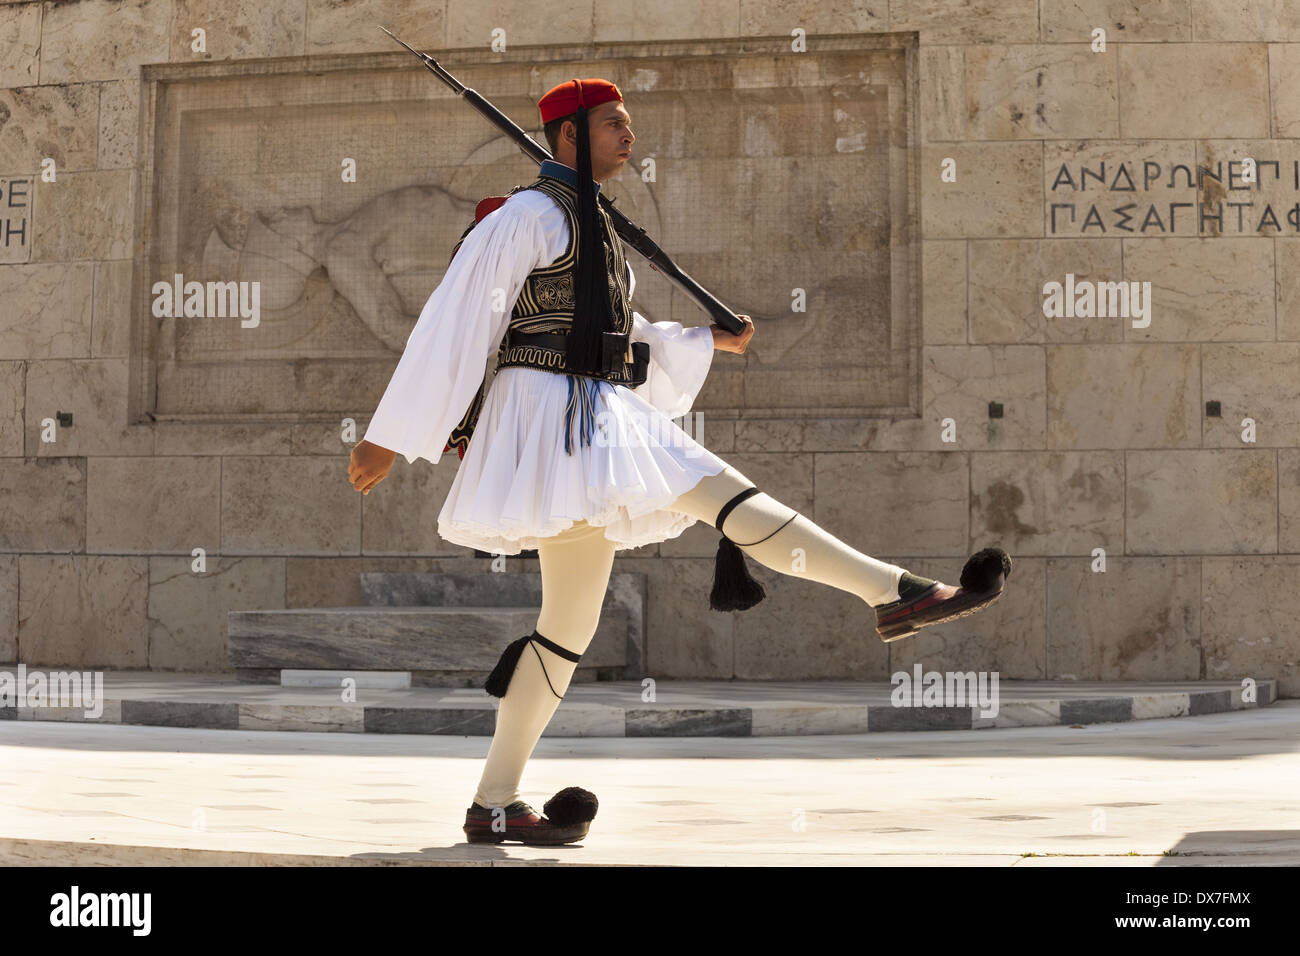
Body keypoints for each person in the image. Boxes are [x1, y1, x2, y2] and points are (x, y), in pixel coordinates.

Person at [347, 78, 1011, 847]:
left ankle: (494, 803)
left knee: (566, 628)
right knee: (720, 493)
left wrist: (702, 341)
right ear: (568, 136)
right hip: (556, 411)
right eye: (612, 125)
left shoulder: (589, 220)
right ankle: (893, 592)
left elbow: (609, 330)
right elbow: (458, 320)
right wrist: (389, 434)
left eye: (630, 124)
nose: (630, 136)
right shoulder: (526, 216)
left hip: (587, 405)